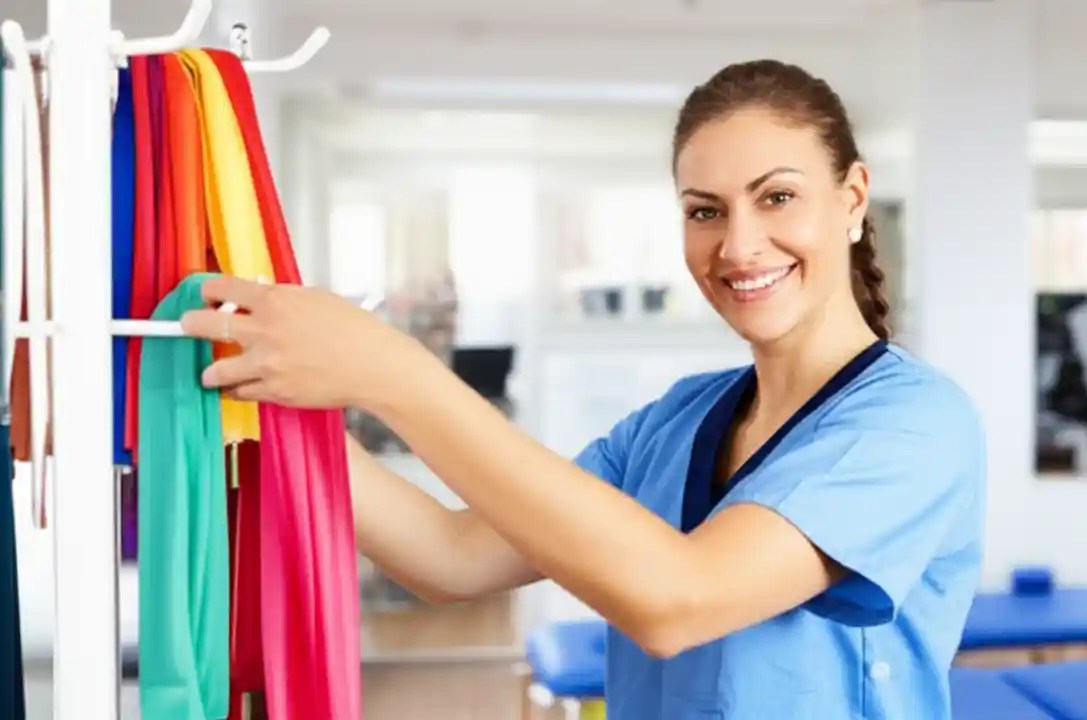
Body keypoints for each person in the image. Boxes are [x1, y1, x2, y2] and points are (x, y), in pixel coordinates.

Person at [182, 59, 986, 719]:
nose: (739, 245)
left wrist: (392, 372)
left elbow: (678, 600)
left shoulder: (915, 424)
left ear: (851, 199)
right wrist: (262, 403)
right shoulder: (679, 419)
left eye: (777, 197)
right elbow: (450, 557)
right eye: (705, 211)